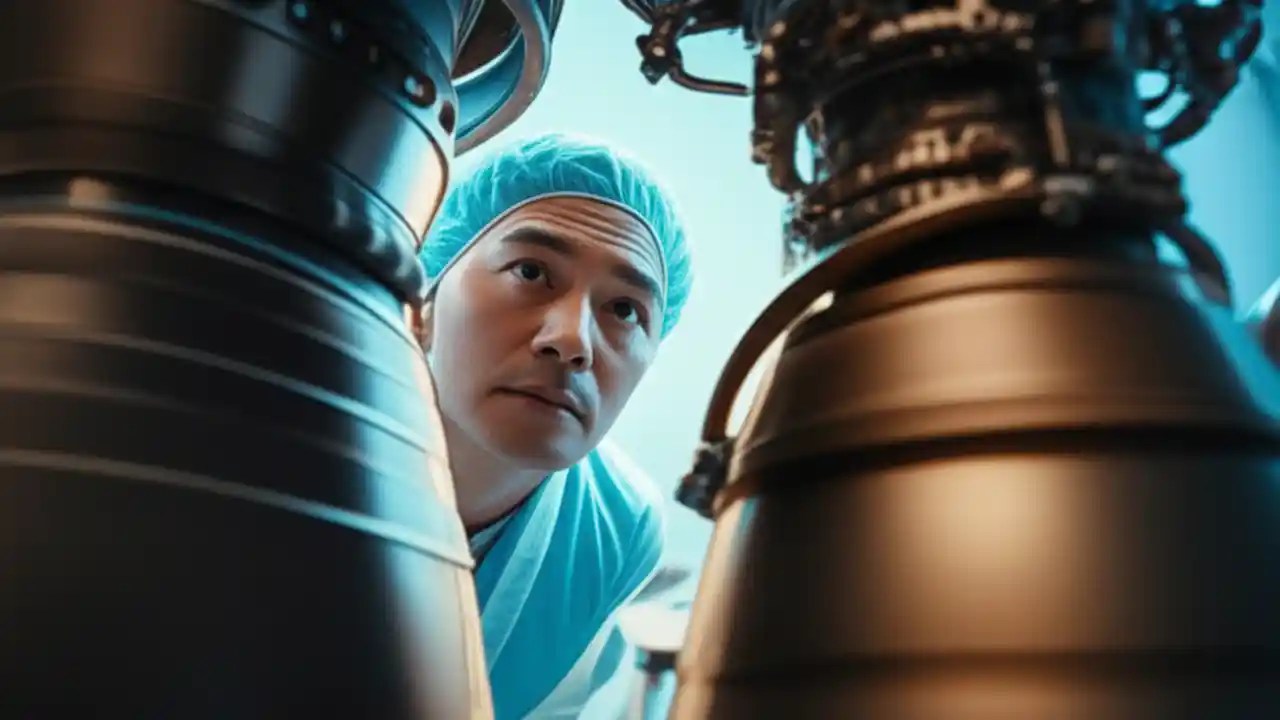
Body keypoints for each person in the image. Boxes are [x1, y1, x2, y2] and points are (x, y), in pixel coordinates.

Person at [415, 133, 694, 718]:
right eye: (531, 271)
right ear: (426, 300)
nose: (571, 340)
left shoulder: (615, 529)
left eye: (624, 310)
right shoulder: (292, 422)